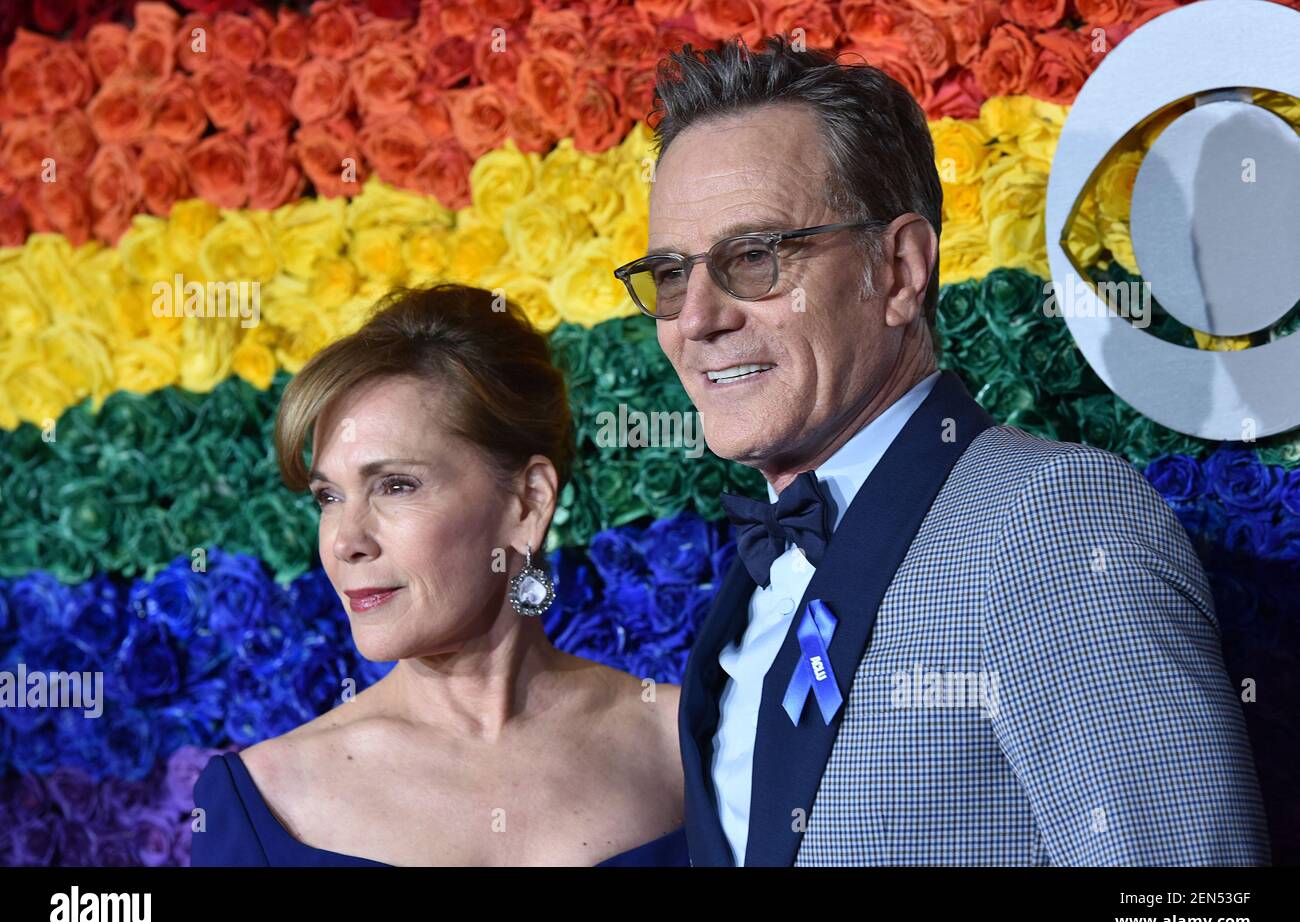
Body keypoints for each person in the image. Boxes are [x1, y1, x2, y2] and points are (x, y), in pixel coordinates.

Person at [614, 34, 1270, 866]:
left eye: (754, 258)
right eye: (671, 274)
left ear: (897, 271)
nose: (697, 318)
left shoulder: (1050, 520)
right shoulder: (759, 558)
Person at [191, 284, 687, 866]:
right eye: (328, 497)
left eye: (395, 486)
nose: (345, 541)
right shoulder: (265, 799)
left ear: (527, 502)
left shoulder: (682, 741)